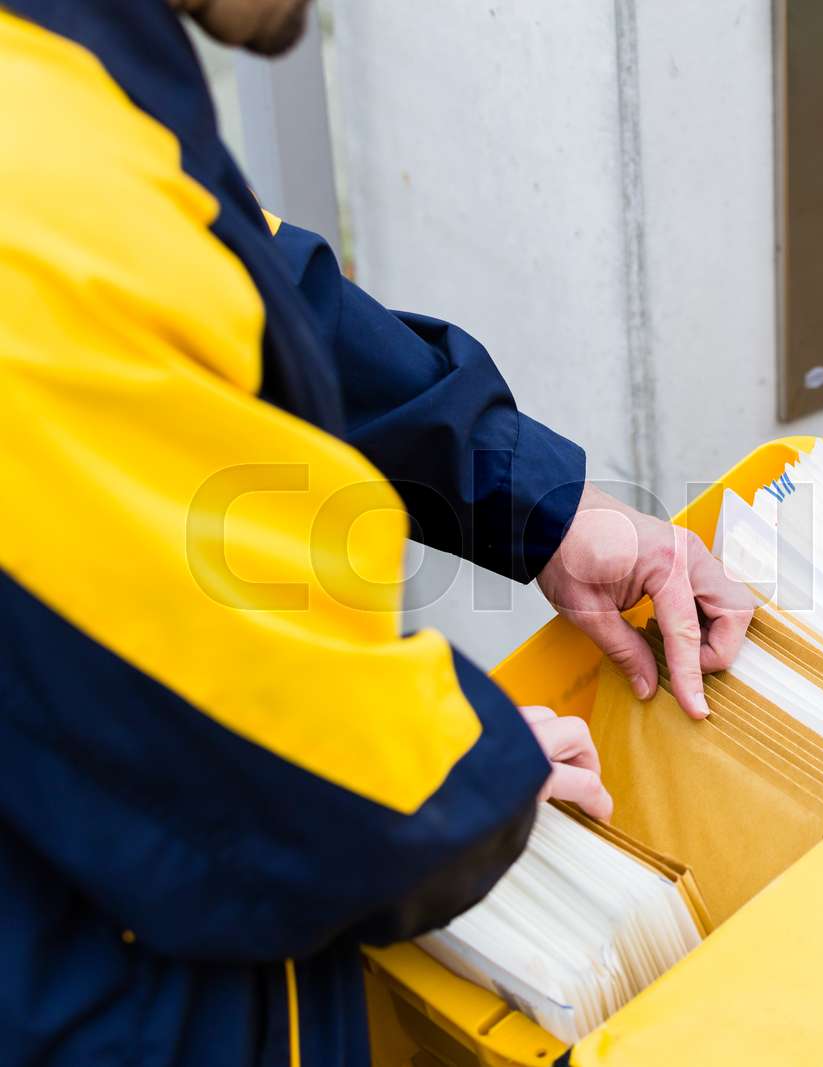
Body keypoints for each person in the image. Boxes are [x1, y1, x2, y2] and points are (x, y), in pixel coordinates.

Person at [0, 1, 753, 1064]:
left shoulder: (60, 79)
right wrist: (477, 773)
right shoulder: (27, 217)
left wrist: (539, 503)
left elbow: (250, 297)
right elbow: (299, 785)